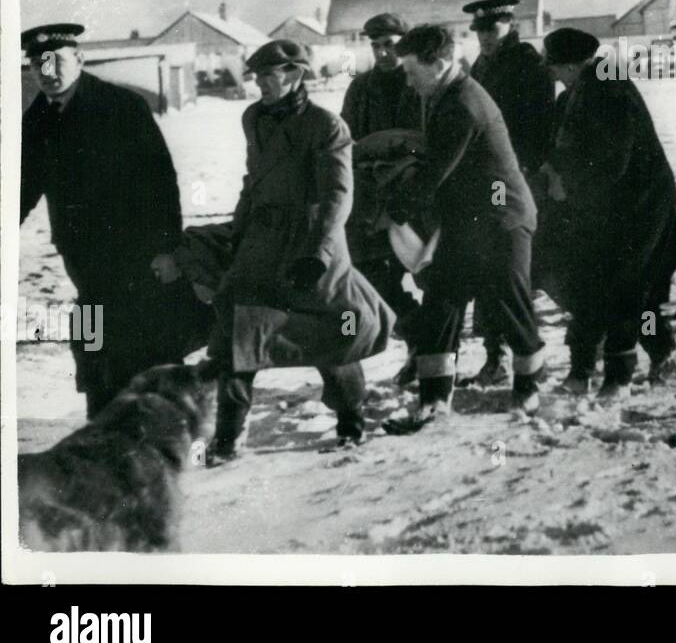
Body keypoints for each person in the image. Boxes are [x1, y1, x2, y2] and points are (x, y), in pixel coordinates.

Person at [201, 39, 396, 463]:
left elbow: (337, 197)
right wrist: (238, 231)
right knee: (241, 332)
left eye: (269, 77)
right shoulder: (253, 118)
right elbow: (253, 180)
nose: (260, 86)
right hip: (262, 243)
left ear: (295, 75)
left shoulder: (327, 126)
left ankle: (351, 422)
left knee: (337, 333)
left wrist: (319, 256)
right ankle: (228, 437)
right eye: (257, 77)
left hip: (311, 245)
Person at [20, 23, 211, 418]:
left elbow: (161, 182)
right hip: (81, 254)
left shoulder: (120, 106)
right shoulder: (38, 117)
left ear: (80, 60)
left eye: (57, 60)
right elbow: (23, 185)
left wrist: (168, 250)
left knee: (145, 337)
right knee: (93, 333)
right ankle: (102, 417)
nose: (47, 70)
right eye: (38, 63)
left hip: (136, 250)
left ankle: (162, 424)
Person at [382, 24, 546, 433]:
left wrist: (393, 210)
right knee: (442, 303)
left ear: (438, 64)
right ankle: (434, 402)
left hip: (502, 218)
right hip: (467, 219)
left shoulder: (463, 104)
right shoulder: (444, 93)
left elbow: (434, 174)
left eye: (411, 70)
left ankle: (528, 385)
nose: (406, 78)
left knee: (511, 303)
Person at [541, 27, 676, 398]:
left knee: (623, 287)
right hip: (604, 204)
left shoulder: (610, 89)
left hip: (640, 203)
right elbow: (568, 148)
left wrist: (566, 184)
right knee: (616, 288)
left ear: (574, 66)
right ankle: (663, 353)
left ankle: (618, 375)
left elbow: (611, 160)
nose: (553, 75)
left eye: (556, 67)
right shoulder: (574, 96)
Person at [461, 0, 556, 386]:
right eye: (480, 31)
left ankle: (529, 353)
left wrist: (524, 167)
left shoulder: (527, 63)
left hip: (517, 180)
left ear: (510, 25)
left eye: (492, 29)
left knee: (517, 270)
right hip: (488, 180)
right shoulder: (482, 65)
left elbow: (540, 120)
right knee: (492, 265)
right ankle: (494, 355)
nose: (485, 38)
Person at [340, 12, 423, 380]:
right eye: (376, 46)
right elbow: (346, 140)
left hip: (416, 197)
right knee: (372, 274)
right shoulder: (360, 88)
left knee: (429, 275)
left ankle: (438, 355)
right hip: (372, 200)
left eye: (389, 45)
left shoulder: (418, 82)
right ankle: (418, 341)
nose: (382, 53)